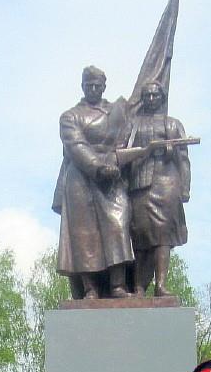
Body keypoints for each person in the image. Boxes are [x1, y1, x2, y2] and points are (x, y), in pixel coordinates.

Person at [53, 65, 135, 299]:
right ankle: (90, 289)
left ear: (104, 86)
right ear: (82, 87)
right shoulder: (70, 116)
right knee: (83, 234)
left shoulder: (116, 110)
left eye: (97, 85)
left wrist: (118, 160)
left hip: (113, 174)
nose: (93, 89)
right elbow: (76, 146)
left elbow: (130, 132)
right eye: (89, 85)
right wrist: (98, 167)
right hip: (81, 177)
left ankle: (118, 285)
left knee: (118, 224)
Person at [126, 81, 190, 296]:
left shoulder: (173, 124)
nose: (152, 99)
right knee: (140, 236)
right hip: (139, 185)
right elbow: (124, 152)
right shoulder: (132, 124)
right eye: (148, 95)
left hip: (167, 185)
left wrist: (185, 188)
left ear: (162, 98)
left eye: (155, 95)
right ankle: (138, 287)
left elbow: (183, 159)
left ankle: (160, 285)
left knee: (163, 236)